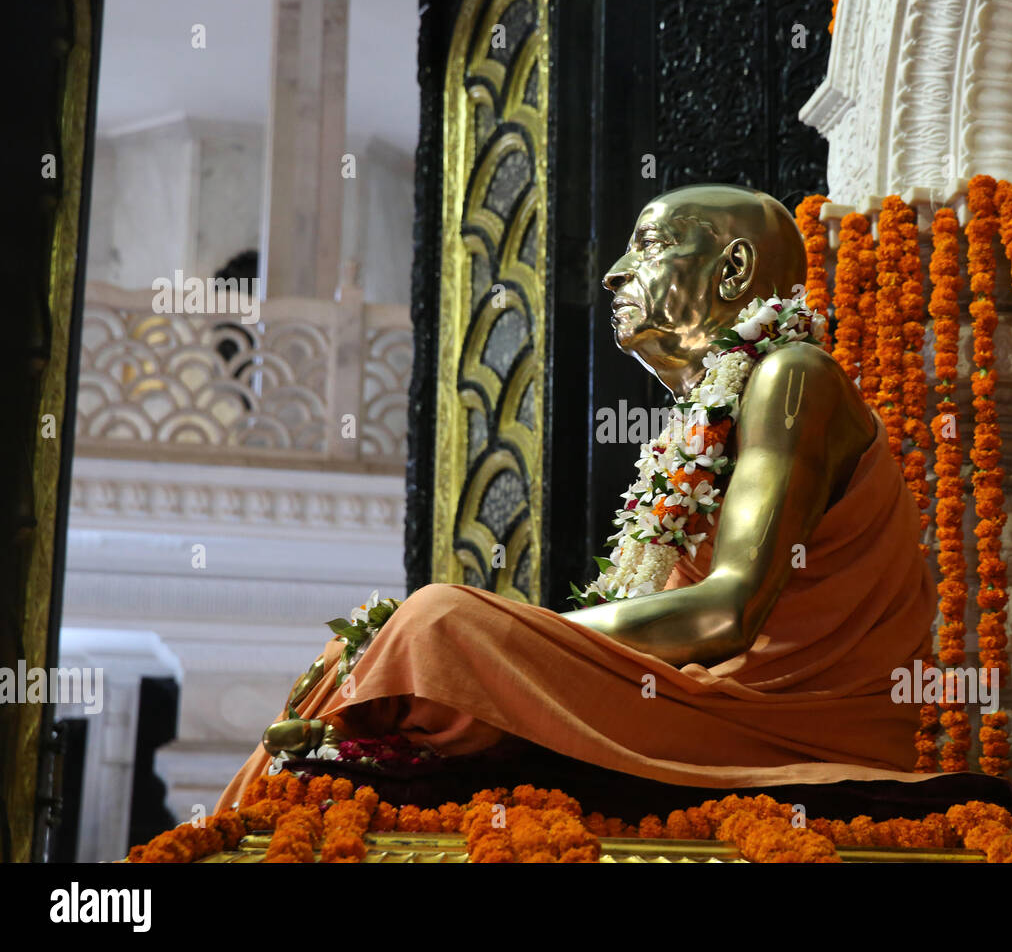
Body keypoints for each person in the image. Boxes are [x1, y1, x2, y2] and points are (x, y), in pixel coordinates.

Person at [215, 184, 943, 813]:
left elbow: (726, 613)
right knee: (371, 646)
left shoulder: (793, 374)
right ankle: (270, 812)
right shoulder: (711, 414)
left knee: (436, 623)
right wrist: (529, 648)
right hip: (700, 697)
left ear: (735, 270)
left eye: (649, 246)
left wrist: (529, 644)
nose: (613, 274)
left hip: (781, 720)